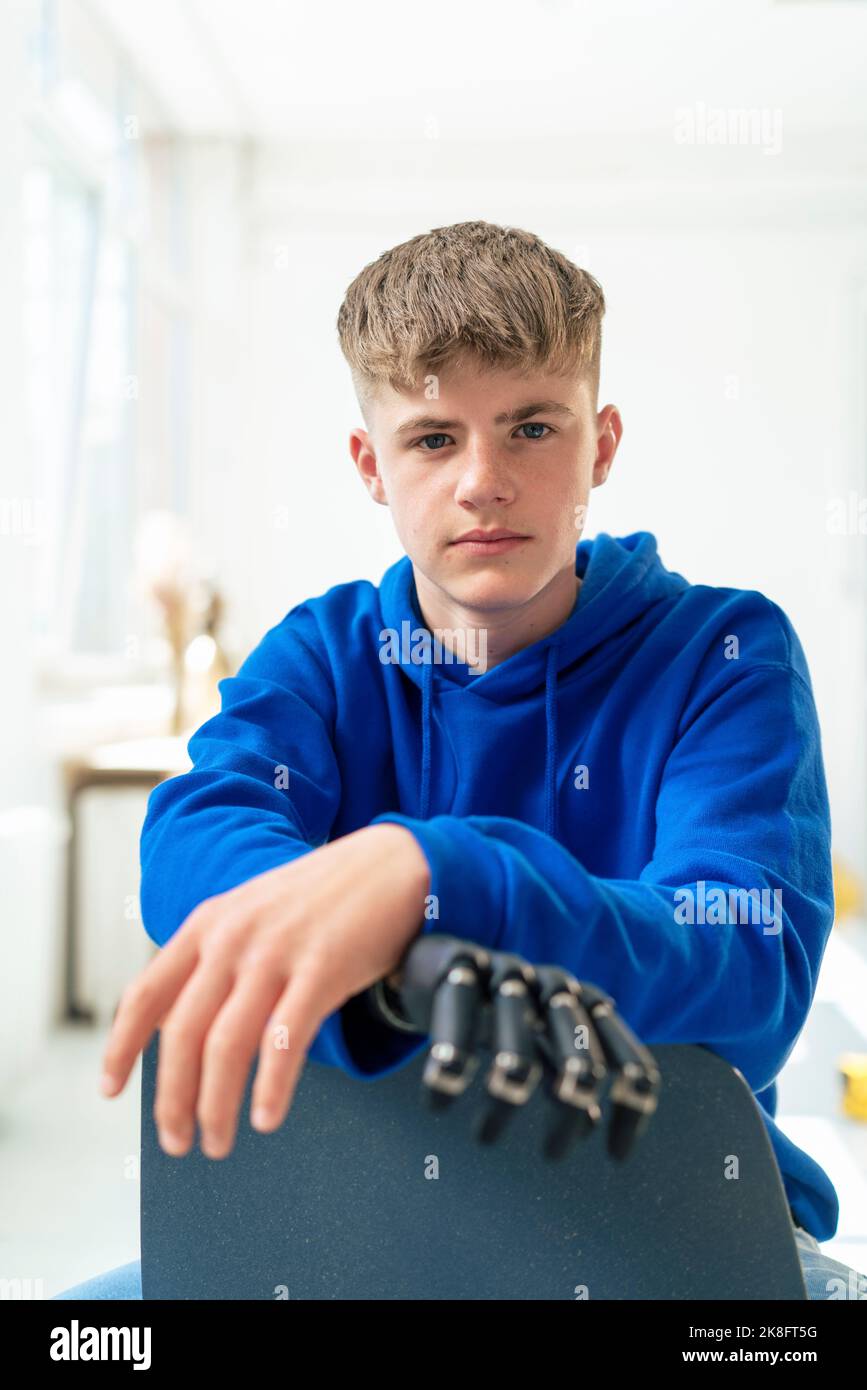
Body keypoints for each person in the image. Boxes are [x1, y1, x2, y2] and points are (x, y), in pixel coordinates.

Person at [56, 221, 865, 1301]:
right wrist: (411, 954)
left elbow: (740, 970)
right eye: (434, 437)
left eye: (532, 426)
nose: (484, 481)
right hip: (343, 1218)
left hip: (676, 1230)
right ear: (371, 466)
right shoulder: (324, 652)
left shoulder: (725, 653)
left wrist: (429, 879)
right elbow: (195, 846)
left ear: (603, 445)